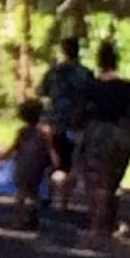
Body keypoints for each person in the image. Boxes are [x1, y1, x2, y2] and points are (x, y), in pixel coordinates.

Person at [74, 40, 130, 245]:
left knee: (95, 181)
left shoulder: (92, 87)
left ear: (99, 62)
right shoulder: (127, 88)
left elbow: (79, 113)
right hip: (123, 136)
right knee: (113, 181)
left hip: (98, 133)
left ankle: (96, 227)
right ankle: (109, 223)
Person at [39, 36, 94, 211]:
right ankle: (63, 202)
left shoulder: (53, 72)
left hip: (53, 121)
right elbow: (90, 99)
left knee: (49, 159)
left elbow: (43, 92)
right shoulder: (85, 74)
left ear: (63, 51)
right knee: (69, 162)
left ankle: (46, 194)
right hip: (75, 124)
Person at [4, 98, 50, 230]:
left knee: (21, 192)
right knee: (33, 190)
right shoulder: (44, 132)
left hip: (22, 163)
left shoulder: (22, 131)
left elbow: (15, 146)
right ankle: (34, 214)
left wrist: (5, 155)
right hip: (37, 165)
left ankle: (18, 220)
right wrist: (55, 160)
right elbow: (50, 147)